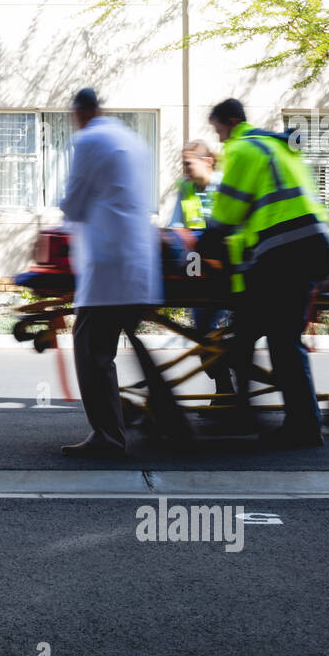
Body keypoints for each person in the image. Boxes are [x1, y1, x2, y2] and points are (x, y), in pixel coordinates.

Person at [201, 98, 329, 448]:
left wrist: (205, 244)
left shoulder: (243, 149)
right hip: (311, 243)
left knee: (279, 340)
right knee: (249, 334)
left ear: (230, 122)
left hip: (284, 250)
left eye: (219, 131)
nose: (220, 140)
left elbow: (229, 211)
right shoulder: (279, 146)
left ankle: (301, 425)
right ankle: (245, 411)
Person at [59, 87, 162, 458]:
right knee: (111, 346)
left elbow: (74, 202)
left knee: (91, 351)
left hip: (108, 266)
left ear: (80, 112)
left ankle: (109, 436)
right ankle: (151, 417)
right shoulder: (132, 141)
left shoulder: (89, 140)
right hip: (138, 262)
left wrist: (64, 211)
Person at [166, 140, 234, 395]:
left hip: (225, 269)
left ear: (207, 162)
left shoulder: (225, 186)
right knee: (204, 335)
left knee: (222, 337)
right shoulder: (186, 188)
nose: (185, 169)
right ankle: (224, 391)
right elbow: (176, 225)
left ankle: (230, 391)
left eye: (188, 163)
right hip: (197, 270)